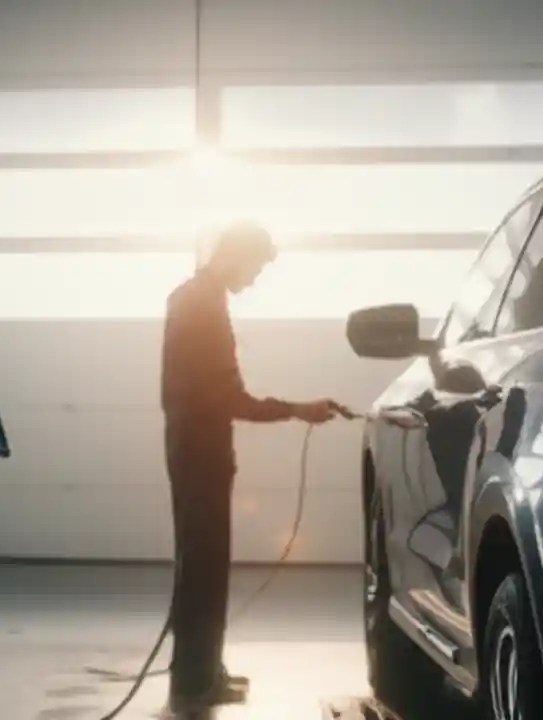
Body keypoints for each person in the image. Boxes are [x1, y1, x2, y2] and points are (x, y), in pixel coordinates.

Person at [159, 220, 344, 713]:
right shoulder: (202, 305)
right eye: (256, 267)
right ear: (235, 256)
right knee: (203, 569)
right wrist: (299, 408)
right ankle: (194, 685)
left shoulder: (196, 297)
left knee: (202, 566)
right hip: (200, 456)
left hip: (194, 451)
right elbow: (227, 397)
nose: (256, 279)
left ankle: (201, 672)